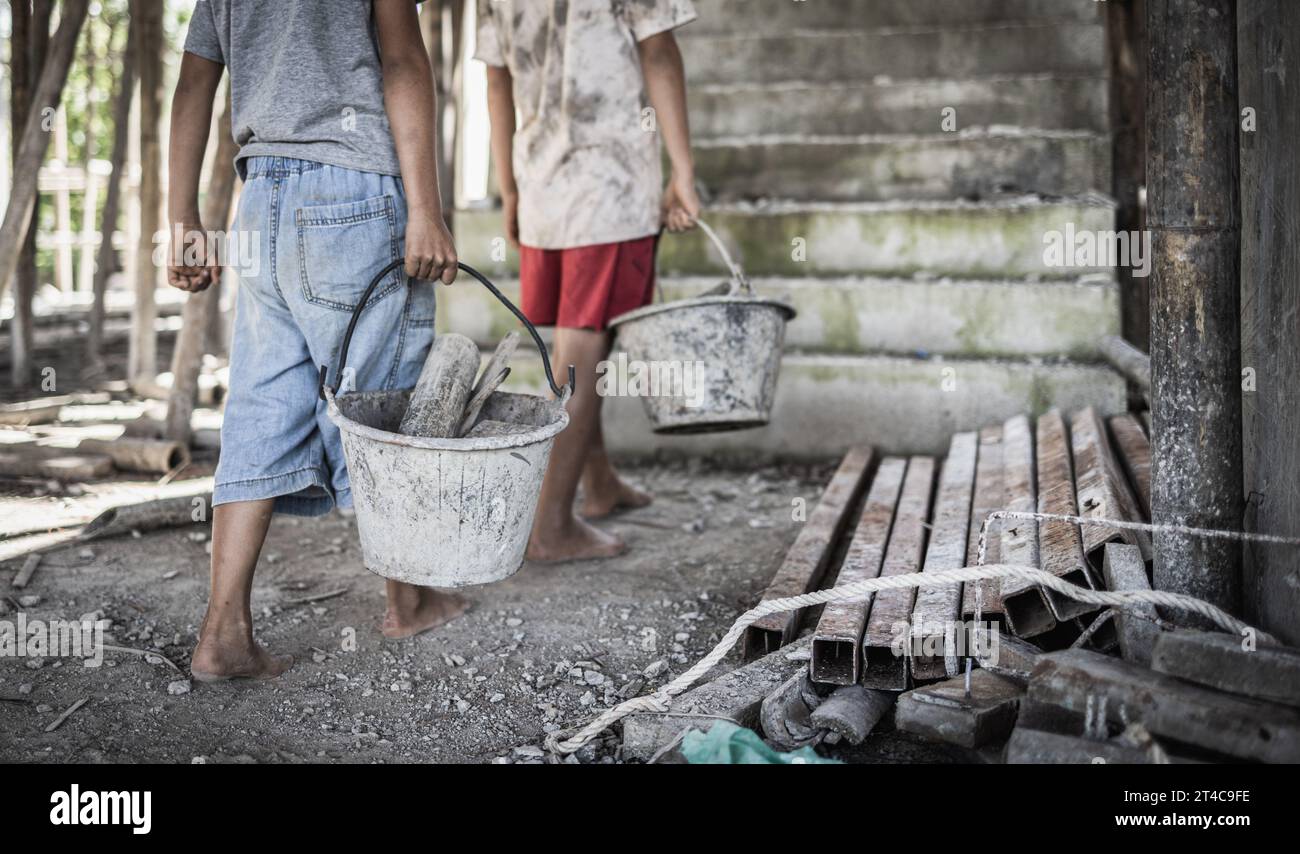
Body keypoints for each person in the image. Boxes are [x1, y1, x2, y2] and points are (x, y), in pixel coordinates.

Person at [168, 0, 464, 682]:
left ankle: (224, 633)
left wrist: (183, 216)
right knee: (382, 399)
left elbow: (193, 85)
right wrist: (425, 210)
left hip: (263, 197)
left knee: (260, 409)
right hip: (354, 189)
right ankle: (408, 600)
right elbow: (401, 60)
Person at [478, 0, 702, 563]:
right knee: (583, 347)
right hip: (610, 183)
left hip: (543, 182)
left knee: (579, 343)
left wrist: (509, 185)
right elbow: (659, 52)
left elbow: (497, 82)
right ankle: (552, 526)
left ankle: (598, 483)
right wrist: (684, 171)